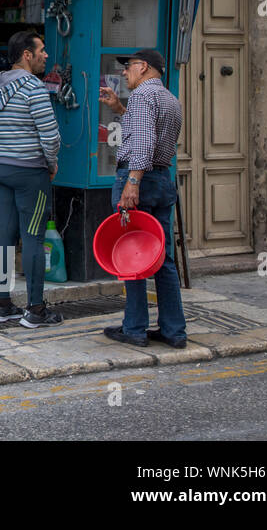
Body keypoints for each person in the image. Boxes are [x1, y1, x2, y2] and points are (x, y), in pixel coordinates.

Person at [98, 48, 187, 348]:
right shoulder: (169, 99)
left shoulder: (142, 97)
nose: (124, 72)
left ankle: (134, 328)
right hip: (163, 180)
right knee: (163, 258)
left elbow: (144, 141)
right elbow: (148, 131)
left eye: (129, 67)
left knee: (132, 254)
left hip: (140, 180)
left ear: (144, 67)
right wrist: (120, 109)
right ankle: (174, 331)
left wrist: (132, 184)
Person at [0, 31, 63, 327]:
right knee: (32, 237)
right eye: (41, 50)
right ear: (26, 55)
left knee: (3, 233)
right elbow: (50, 136)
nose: (46, 56)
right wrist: (51, 164)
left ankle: (1, 303)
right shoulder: (34, 88)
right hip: (30, 171)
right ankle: (36, 309)